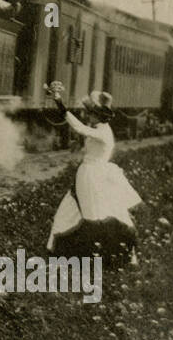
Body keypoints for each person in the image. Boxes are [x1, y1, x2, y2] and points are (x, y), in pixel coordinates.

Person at [44, 82, 142, 267]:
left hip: (92, 176)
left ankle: (96, 255)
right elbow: (89, 140)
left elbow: (79, 128)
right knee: (74, 208)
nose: (88, 116)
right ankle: (61, 249)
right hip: (91, 174)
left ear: (98, 115)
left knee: (93, 213)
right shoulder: (101, 130)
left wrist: (59, 102)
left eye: (91, 113)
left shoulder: (103, 132)